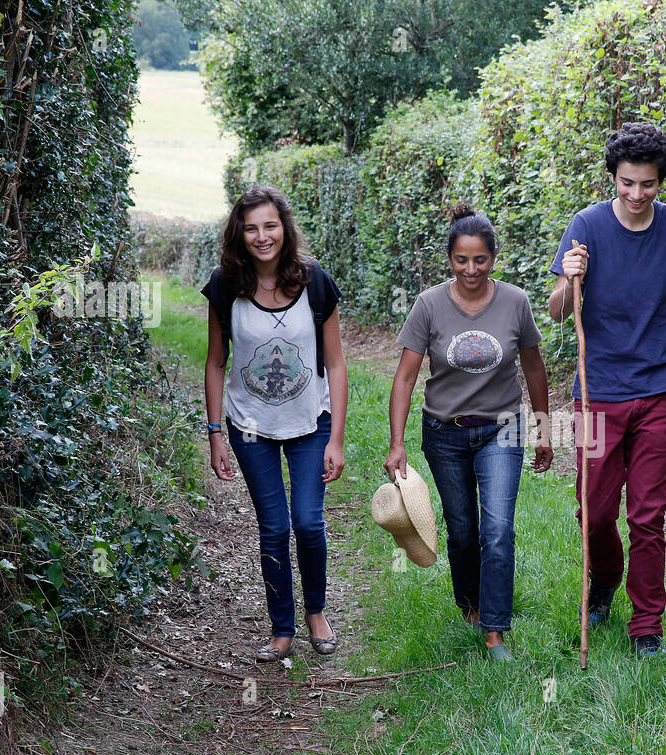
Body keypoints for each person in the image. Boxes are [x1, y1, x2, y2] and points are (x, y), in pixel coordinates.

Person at [548, 121, 666, 658]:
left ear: (660, 181)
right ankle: (604, 580)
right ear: (614, 177)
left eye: (647, 184)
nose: (636, 194)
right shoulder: (586, 226)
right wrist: (570, 275)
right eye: (627, 183)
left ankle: (647, 624)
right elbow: (556, 311)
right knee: (594, 513)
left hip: (659, 386)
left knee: (647, 515)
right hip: (598, 390)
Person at [386, 202, 553, 662]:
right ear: (450, 258)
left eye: (480, 260)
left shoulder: (515, 302)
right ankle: (471, 604)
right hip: (443, 433)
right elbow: (404, 377)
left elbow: (535, 369)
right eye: (462, 260)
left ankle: (495, 631)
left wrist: (542, 427)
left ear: (494, 258)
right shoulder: (429, 305)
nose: (471, 269)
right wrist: (397, 442)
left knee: (498, 529)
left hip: (502, 429)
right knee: (462, 531)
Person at [201, 185, 350, 663]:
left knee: (307, 522)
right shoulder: (225, 285)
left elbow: (337, 363)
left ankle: (317, 614)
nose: (262, 236)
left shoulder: (315, 282)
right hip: (250, 427)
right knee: (272, 528)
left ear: (284, 228)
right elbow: (215, 363)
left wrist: (338, 438)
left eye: (270, 225)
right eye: (251, 228)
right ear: (239, 234)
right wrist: (215, 433)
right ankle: (281, 628)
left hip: (311, 422)